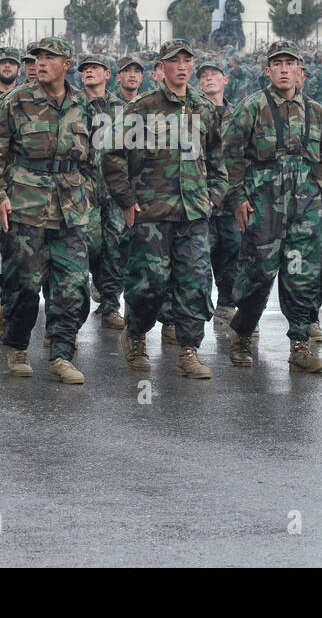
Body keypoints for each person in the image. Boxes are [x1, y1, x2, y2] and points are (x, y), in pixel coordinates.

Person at [0, 37, 98, 383]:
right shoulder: (17, 101)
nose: (41, 63)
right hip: (26, 206)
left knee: (73, 285)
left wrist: (86, 195)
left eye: (50, 58)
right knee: (25, 284)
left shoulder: (84, 105)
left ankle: (62, 354)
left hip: (70, 209)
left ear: (67, 64)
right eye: (38, 58)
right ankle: (17, 345)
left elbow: (93, 160)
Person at [103, 38, 226, 378]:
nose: (183, 66)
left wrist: (214, 194)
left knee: (196, 282)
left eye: (188, 60)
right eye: (175, 61)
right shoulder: (143, 107)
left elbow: (218, 158)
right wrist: (127, 200)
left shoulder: (204, 109)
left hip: (194, 215)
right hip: (153, 215)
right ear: (161, 68)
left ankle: (189, 350)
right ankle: (137, 333)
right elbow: (112, 154)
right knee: (149, 284)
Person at [220, 41, 322, 372]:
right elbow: (229, 154)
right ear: (268, 71)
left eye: (290, 63)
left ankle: (299, 345)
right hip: (263, 205)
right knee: (258, 273)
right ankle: (241, 335)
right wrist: (238, 197)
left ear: (300, 70)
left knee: (302, 275)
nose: (284, 69)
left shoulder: (316, 112)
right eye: (277, 64)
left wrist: (318, 193)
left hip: (304, 210)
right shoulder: (252, 107)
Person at [77, 53, 127, 330]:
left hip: (116, 188)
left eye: (95, 69)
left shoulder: (123, 108)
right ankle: (78, 302)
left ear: (107, 74)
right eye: (85, 69)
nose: (89, 73)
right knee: (87, 244)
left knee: (115, 246)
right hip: (85, 187)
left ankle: (110, 304)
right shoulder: (75, 105)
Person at [196, 56, 241, 323]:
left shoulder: (240, 116)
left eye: (214, 74)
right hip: (201, 198)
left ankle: (227, 303)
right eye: (203, 76)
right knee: (200, 256)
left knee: (232, 252)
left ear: (225, 80)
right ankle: (196, 312)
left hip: (232, 200)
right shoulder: (192, 114)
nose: (208, 79)